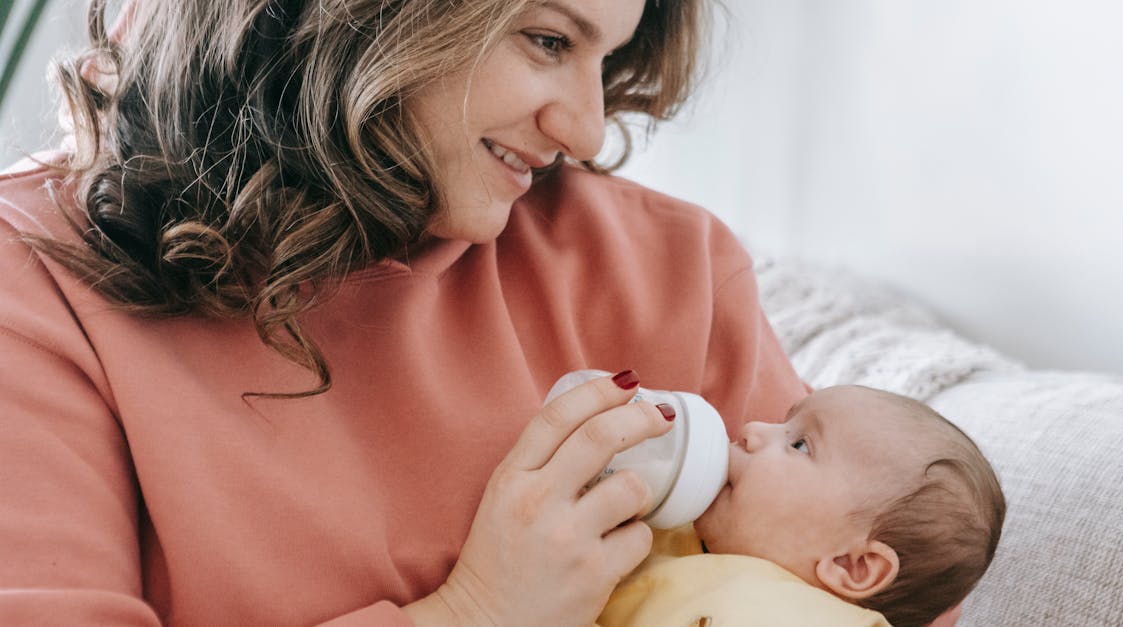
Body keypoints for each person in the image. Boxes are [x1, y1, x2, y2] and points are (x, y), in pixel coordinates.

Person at [0, 0, 811, 625]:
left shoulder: (671, 270)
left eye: (611, 54)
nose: (587, 127)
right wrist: (476, 612)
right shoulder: (34, 282)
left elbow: (881, 576)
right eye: (549, 40)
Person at [599, 385, 1006, 627]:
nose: (752, 430)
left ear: (853, 565)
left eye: (799, 444)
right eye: (784, 422)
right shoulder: (672, 528)